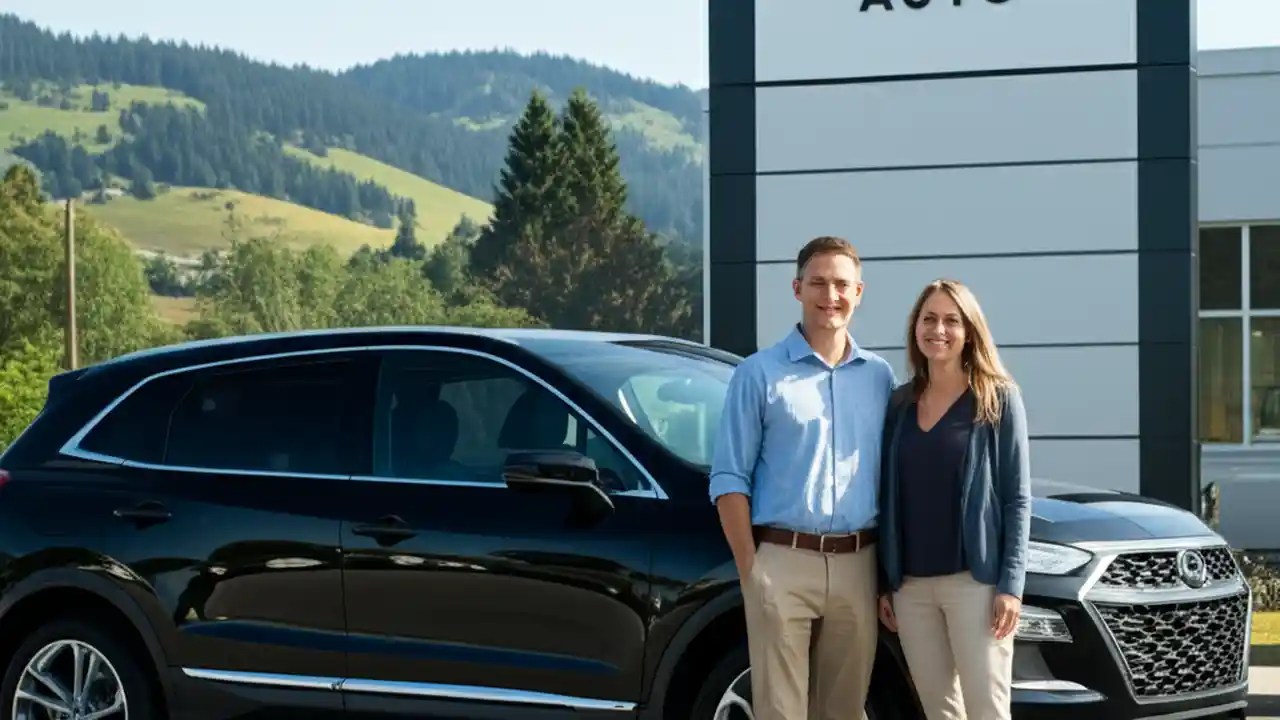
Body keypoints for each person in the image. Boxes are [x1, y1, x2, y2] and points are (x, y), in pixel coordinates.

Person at [709, 235, 896, 720]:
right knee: (780, 710)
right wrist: (753, 570)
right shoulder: (758, 374)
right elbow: (729, 479)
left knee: (845, 710)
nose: (829, 295)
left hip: (860, 563)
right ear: (797, 288)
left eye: (840, 285)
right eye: (817, 283)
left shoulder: (880, 377)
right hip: (781, 562)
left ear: (859, 292)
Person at [875, 279, 1032, 720]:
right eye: (929, 319)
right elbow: (888, 498)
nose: (938, 329)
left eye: (950, 320)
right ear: (915, 329)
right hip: (911, 589)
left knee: (987, 710)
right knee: (940, 712)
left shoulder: (997, 398)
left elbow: (1017, 500)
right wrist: (884, 582)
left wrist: (1010, 587)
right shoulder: (899, 405)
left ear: (969, 331)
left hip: (976, 584)